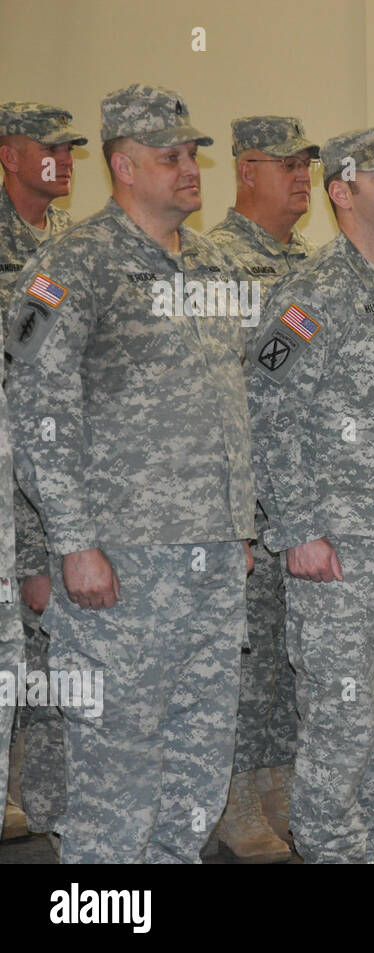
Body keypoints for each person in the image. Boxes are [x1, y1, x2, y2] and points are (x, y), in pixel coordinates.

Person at [6, 83, 255, 864]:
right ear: (122, 164)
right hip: (122, 561)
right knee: (118, 768)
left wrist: (240, 526)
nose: (190, 169)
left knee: (198, 762)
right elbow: (37, 410)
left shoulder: (215, 265)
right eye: (170, 156)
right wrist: (72, 542)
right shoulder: (71, 265)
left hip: (212, 556)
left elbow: (234, 404)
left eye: (193, 155)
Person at [245, 127, 374, 864]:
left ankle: (372, 843)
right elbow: (268, 415)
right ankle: (332, 847)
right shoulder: (309, 295)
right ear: (340, 191)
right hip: (342, 552)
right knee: (341, 716)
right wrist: (298, 528)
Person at [206, 115, 319, 863]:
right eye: (286, 164)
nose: (302, 176)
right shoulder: (212, 264)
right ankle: (234, 797)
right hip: (245, 499)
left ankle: (277, 781)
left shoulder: (311, 266)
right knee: (243, 655)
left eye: (308, 163)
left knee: (290, 653)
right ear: (247, 170)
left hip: (305, 496)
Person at [0, 101, 85, 844]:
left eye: (72, 147)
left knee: (50, 650)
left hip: (47, 470)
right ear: (9, 154)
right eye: (49, 146)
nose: (64, 156)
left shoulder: (71, 243)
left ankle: (46, 796)